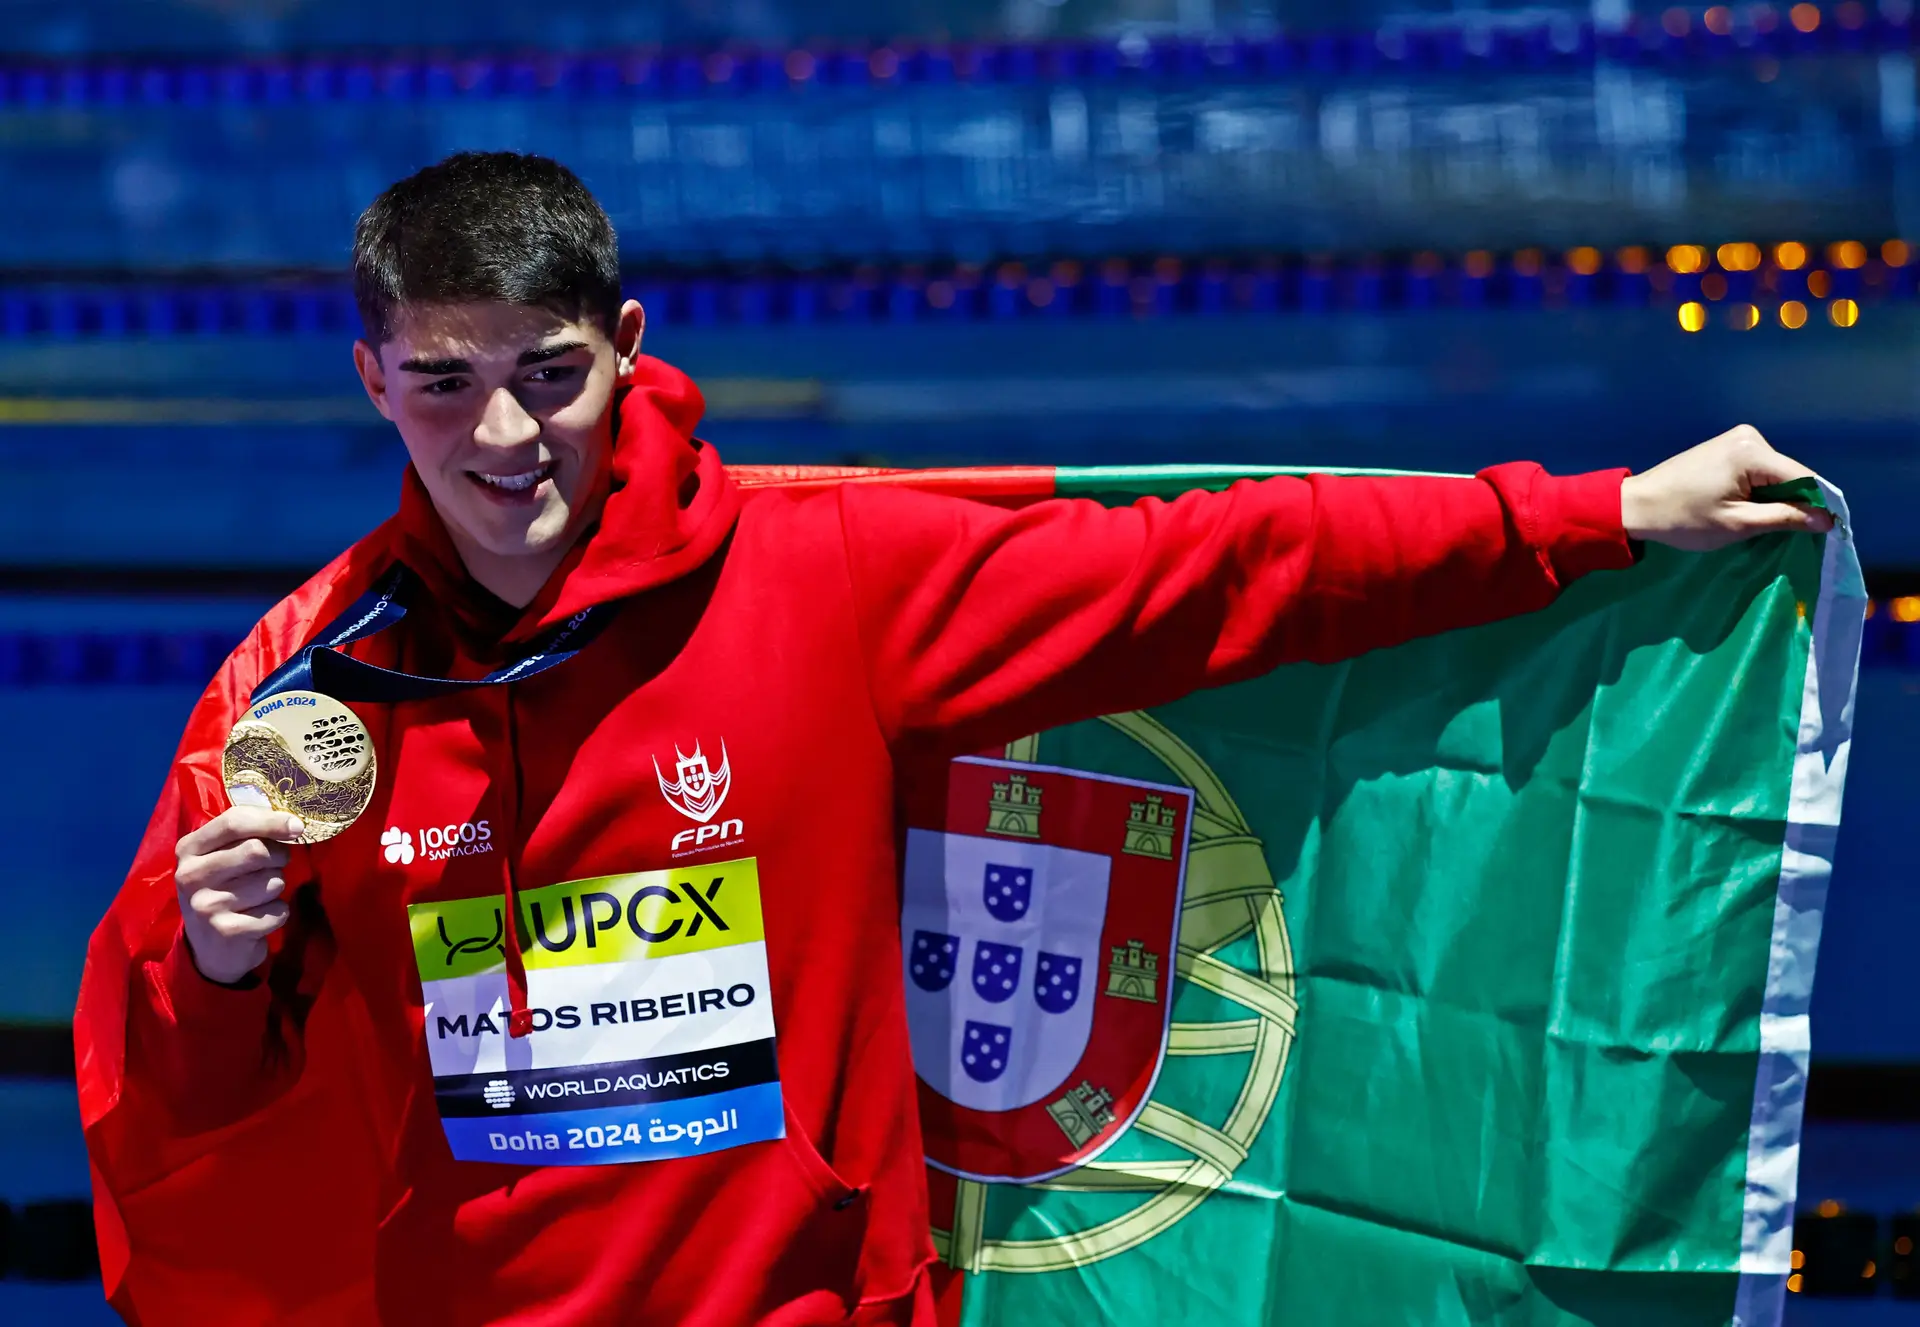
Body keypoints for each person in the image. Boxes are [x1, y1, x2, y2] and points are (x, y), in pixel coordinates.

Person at [78, 150, 1832, 1326]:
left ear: (625, 348)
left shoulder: (828, 578)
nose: (504, 432)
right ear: (373, 378)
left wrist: (1594, 511)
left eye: (547, 370)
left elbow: (1224, 564)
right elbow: (180, 1107)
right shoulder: (308, 688)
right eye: (445, 380)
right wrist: (215, 972)